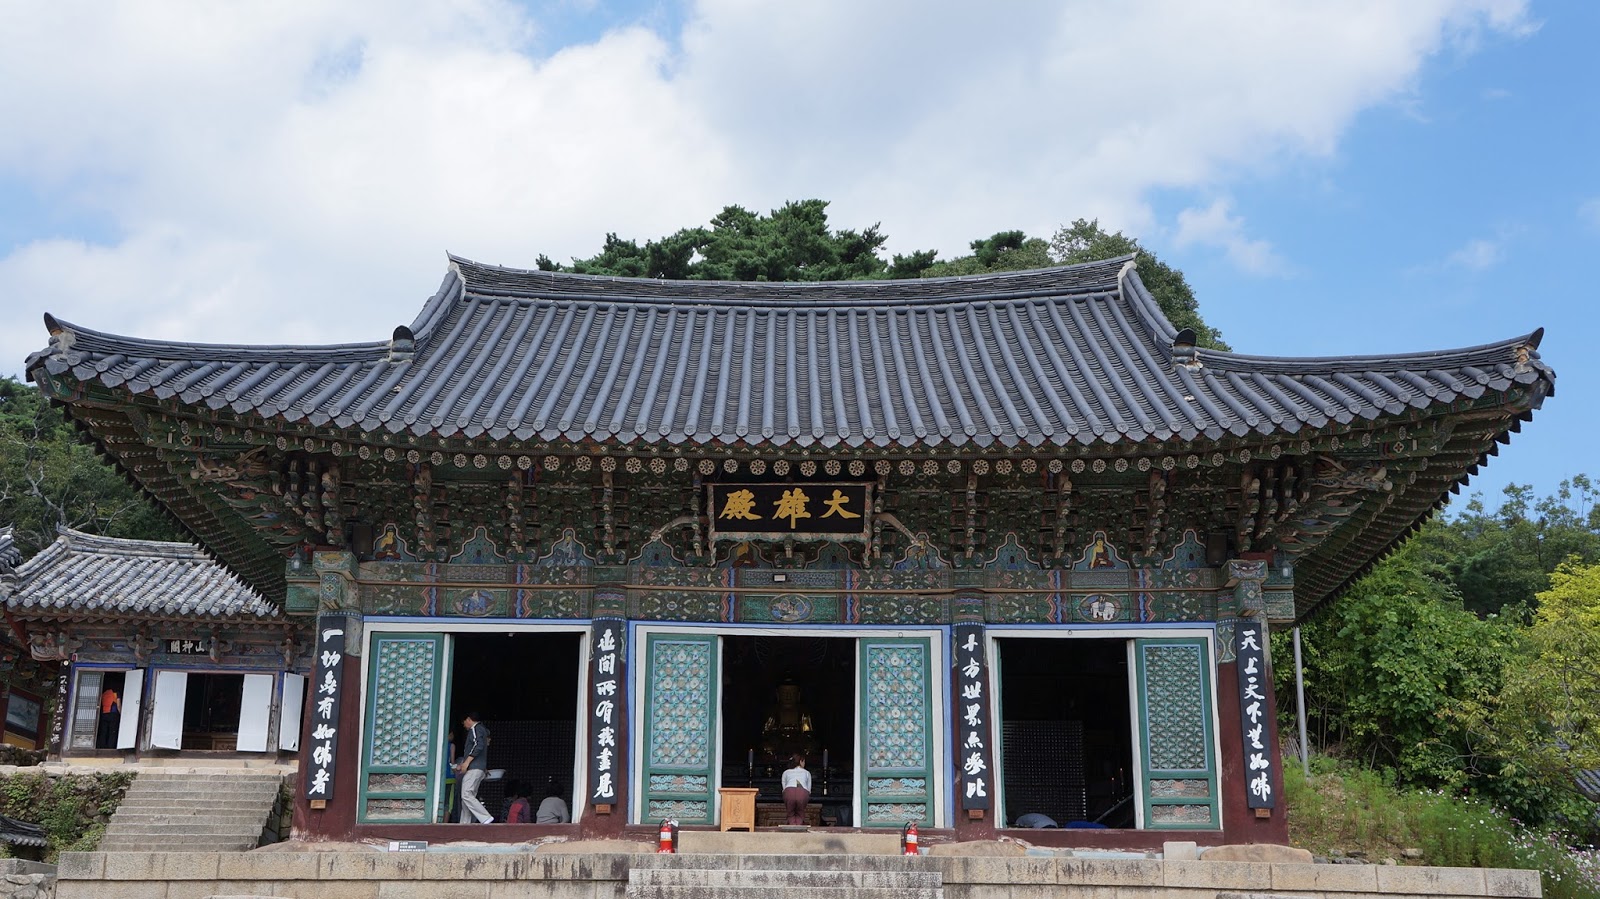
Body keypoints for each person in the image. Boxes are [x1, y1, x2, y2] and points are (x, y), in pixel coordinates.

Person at [454, 712, 493, 824]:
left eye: (464, 722)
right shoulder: (482, 730)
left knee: (466, 794)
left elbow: (478, 745)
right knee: (468, 798)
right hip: (477, 768)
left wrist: (466, 763)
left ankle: (485, 817)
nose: (464, 725)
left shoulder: (476, 729)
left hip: (474, 769)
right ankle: (465, 824)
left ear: (469, 719)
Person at [781, 753, 811, 826]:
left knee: (790, 812)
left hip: (789, 791)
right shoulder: (807, 773)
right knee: (800, 812)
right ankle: (799, 827)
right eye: (804, 762)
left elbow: (784, 787)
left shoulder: (786, 772)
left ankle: (792, 826)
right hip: (802, 792)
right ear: (801, 761)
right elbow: (809, 789)